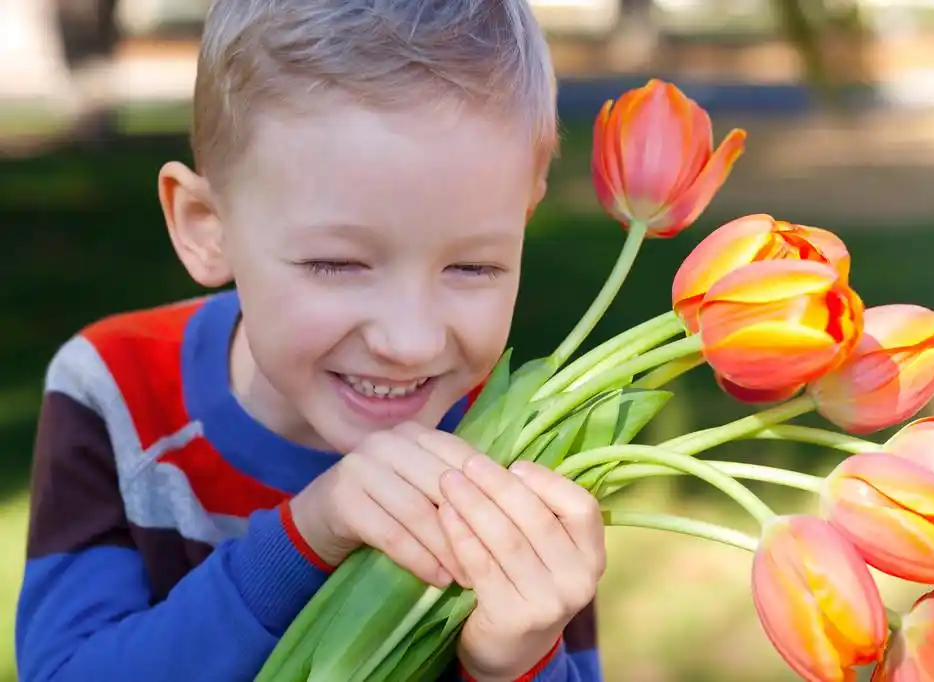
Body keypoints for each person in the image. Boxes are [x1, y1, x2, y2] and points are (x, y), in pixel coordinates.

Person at [14, 1, 607, 681]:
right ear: (207, 226)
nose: (410, 342)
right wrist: (302, 542)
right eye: (338, 264)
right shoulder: (117, 390)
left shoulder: (520, 443)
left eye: (472, 267)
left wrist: (515, 662)